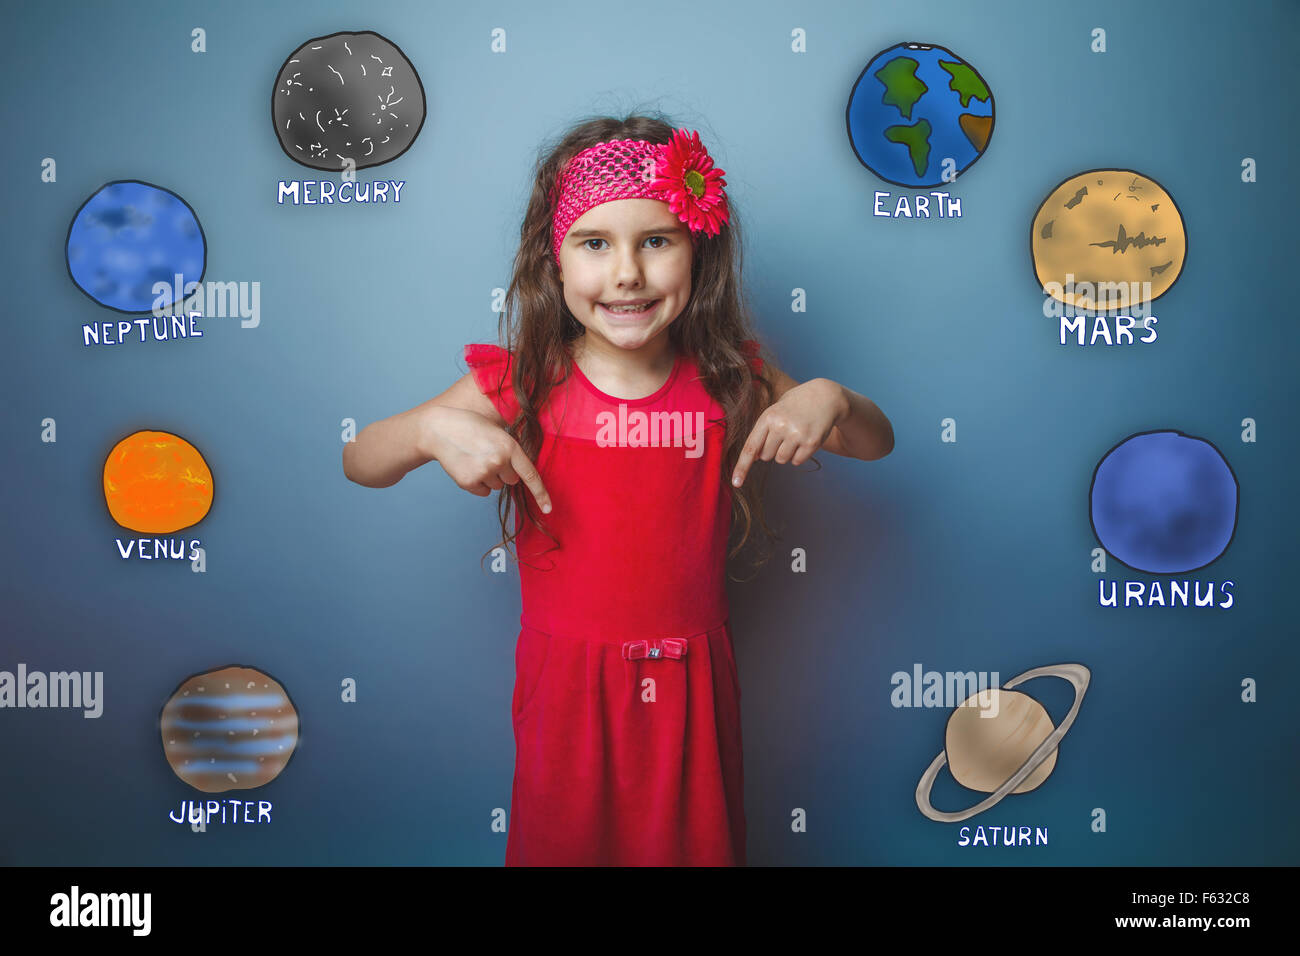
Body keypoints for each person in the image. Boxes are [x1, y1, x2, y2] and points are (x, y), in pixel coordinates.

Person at [343, 114, 894, 865]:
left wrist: (829, 397)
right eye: (595, 243)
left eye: (656, 241)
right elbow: (361, 459)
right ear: (554, 259)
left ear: (698, 252)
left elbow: (872, 441)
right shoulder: (522, 381)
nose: (627, 273)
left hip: (693, 691)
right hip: (567, 694)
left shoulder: (735, 377)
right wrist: (430, 430)